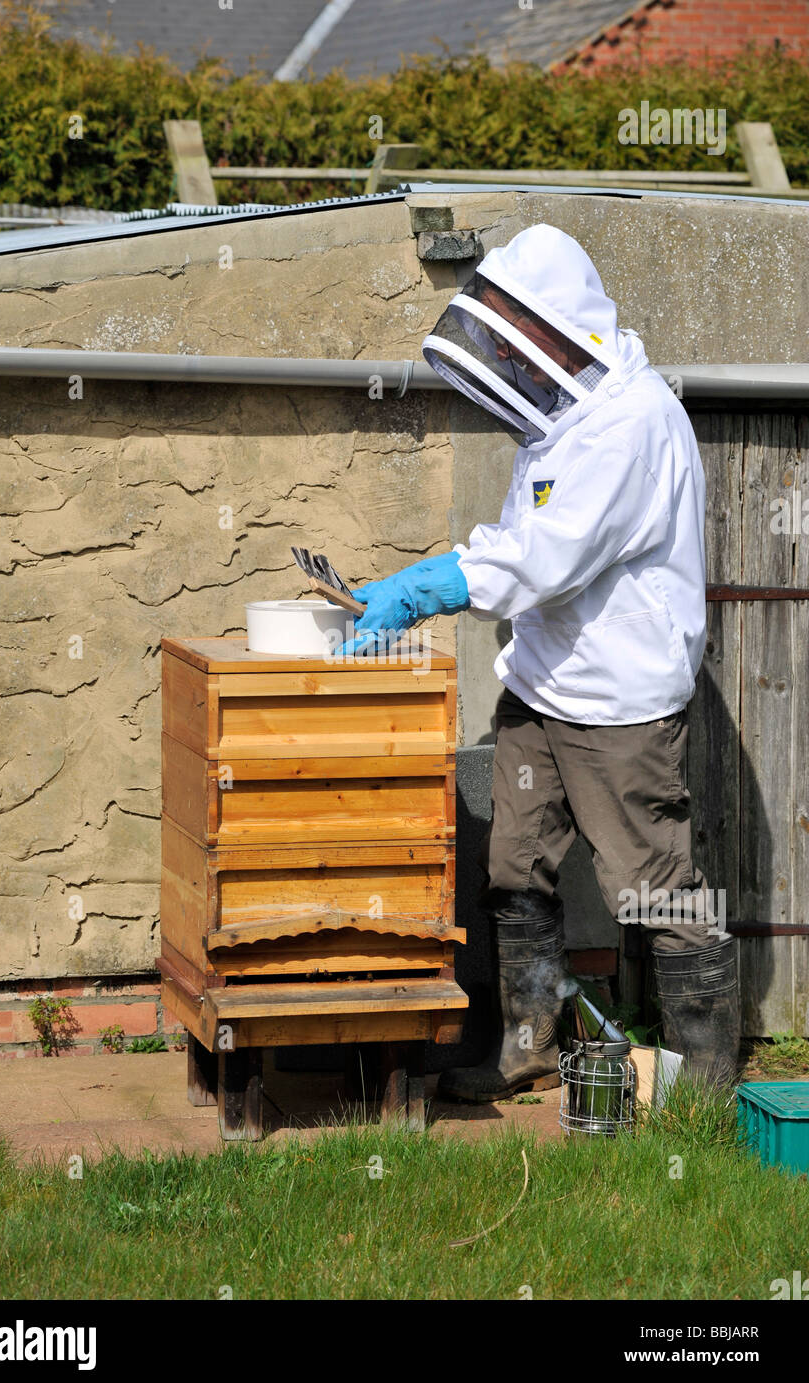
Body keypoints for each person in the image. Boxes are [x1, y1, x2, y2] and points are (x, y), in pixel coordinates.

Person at [342, 222, 740, 1098]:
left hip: (619, 703)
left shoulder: (630, 425)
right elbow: (525, 541)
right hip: (541, 686)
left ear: (558, 332)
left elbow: (543, 558)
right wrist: (446, 572)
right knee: (515, 867)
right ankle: (527, 1049)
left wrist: (428, 585)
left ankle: (704, 1085)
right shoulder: (565, 423)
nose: (515, 369)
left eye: (522, 345)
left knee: (655, 887)